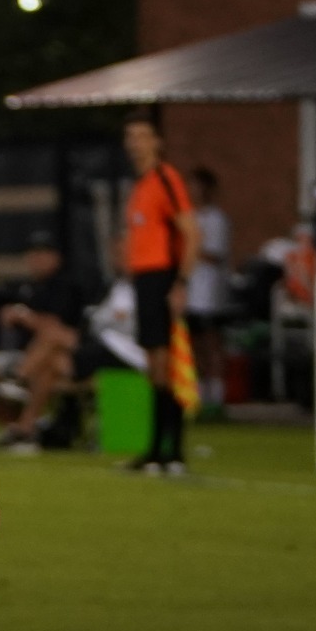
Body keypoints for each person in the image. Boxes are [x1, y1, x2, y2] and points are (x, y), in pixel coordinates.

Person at [119, 112, 201, 473]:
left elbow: (191, 232)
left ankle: (175, 452)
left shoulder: (167, 179)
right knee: (153, 367)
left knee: (168, 365)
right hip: (143, 280)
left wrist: (180, 282)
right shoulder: (140, 185)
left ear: (157, 142)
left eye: (142, 136)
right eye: (131, 137)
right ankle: (155, 451)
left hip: (162, 278)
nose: (135, 143)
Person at [0, 238, 85, 450]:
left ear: (56, 258)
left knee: (51, 340)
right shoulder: (29, 287)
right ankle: (21, 428)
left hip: (68, 353)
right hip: (31, 356)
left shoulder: (66, 285)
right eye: (33, 254)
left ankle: (18, 379)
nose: (37, 260)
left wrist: (24, 316)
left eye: (43, 254)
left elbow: (55, 328)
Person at [185, 167, 231, 412]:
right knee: (195, 345)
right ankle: (200, 395)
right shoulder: (188, 216)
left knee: (212, 343)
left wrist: (190, 246)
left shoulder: (216, 220)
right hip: (191, 294)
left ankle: (218, 396)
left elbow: (215, 255)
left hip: (210, 294)